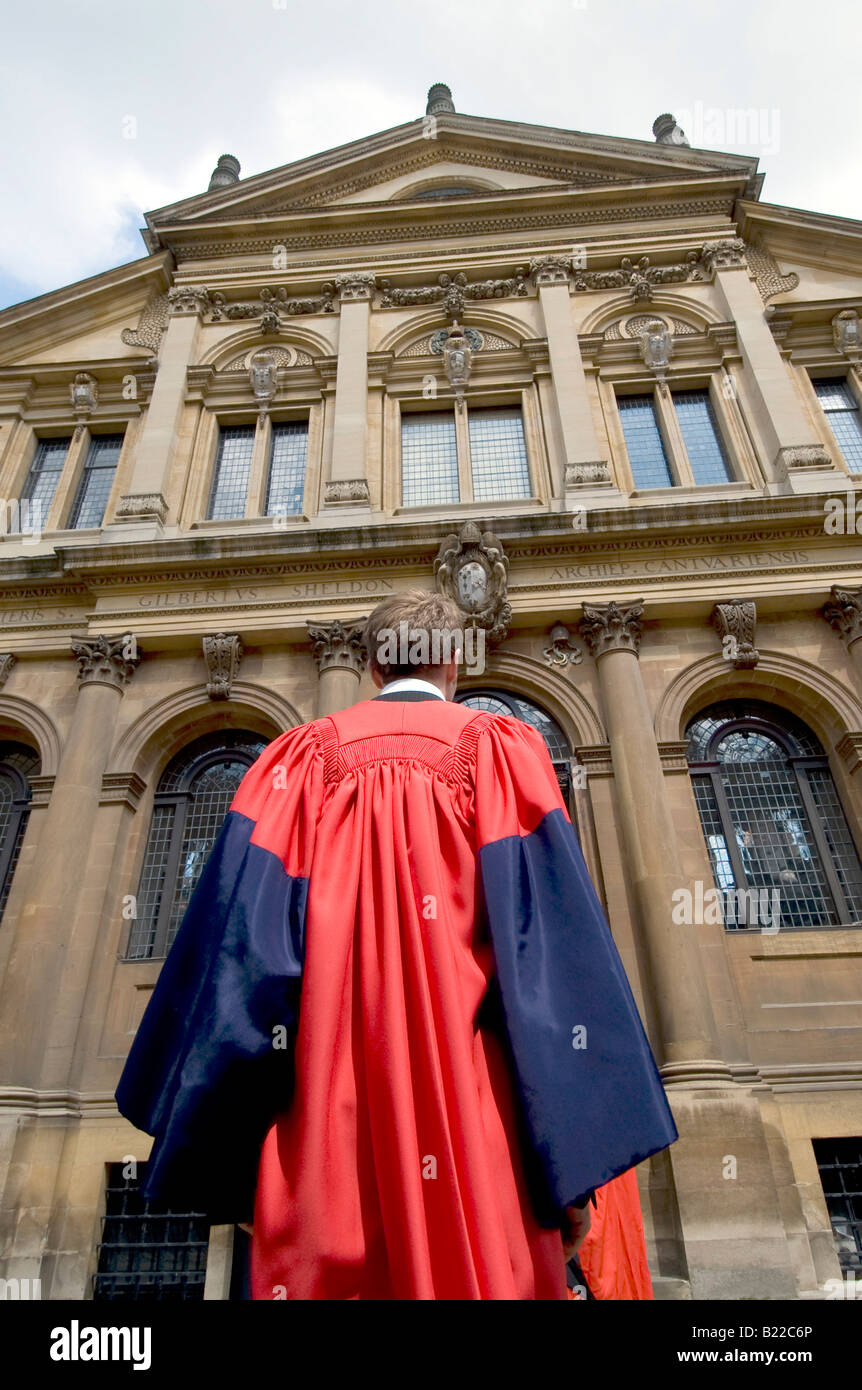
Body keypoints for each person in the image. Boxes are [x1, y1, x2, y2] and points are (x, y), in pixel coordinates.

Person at [115, 590, 677, 1300]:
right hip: (479, 1121)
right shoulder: (500, 753)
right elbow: (548, 965)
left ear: (376, 666)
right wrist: (569, 1172)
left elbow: (244, 963)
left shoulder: (296, 761)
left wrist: (233, 1156)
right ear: (452, 661)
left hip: (323, 1126)